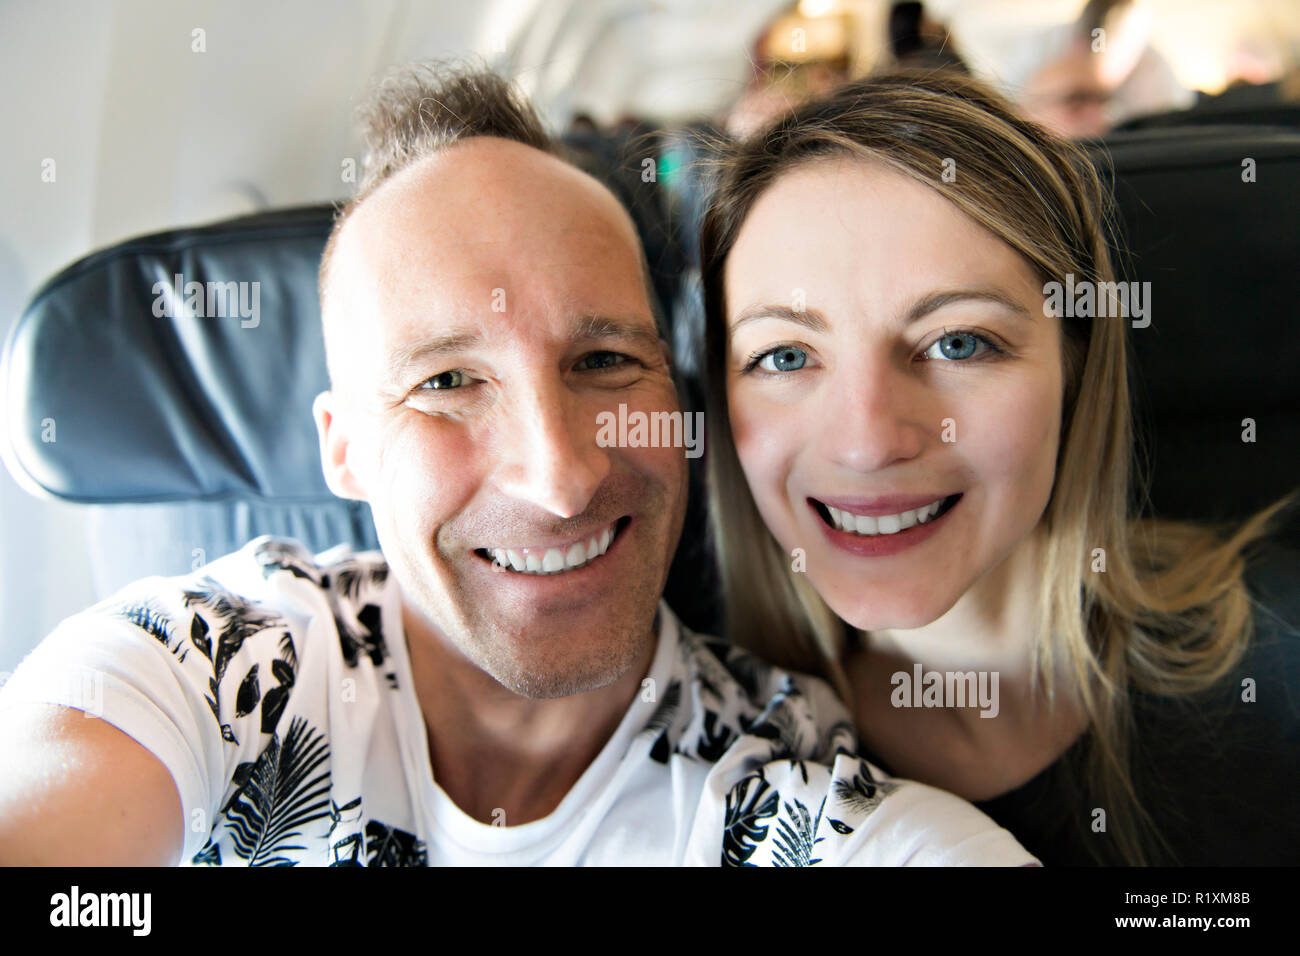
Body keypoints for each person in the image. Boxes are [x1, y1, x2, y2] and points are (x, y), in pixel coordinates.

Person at [0, 63, 1036, 867]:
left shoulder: (788, 783)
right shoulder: (205, 671)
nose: (560, 476)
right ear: (343, 448)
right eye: (448, 381)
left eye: (603, 360)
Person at [699, 68, 1300, 865]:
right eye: (784, 355)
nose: (866, 443)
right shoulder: (690, 765)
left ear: (1075, 370)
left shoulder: (1280, 674)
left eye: (958, 343)